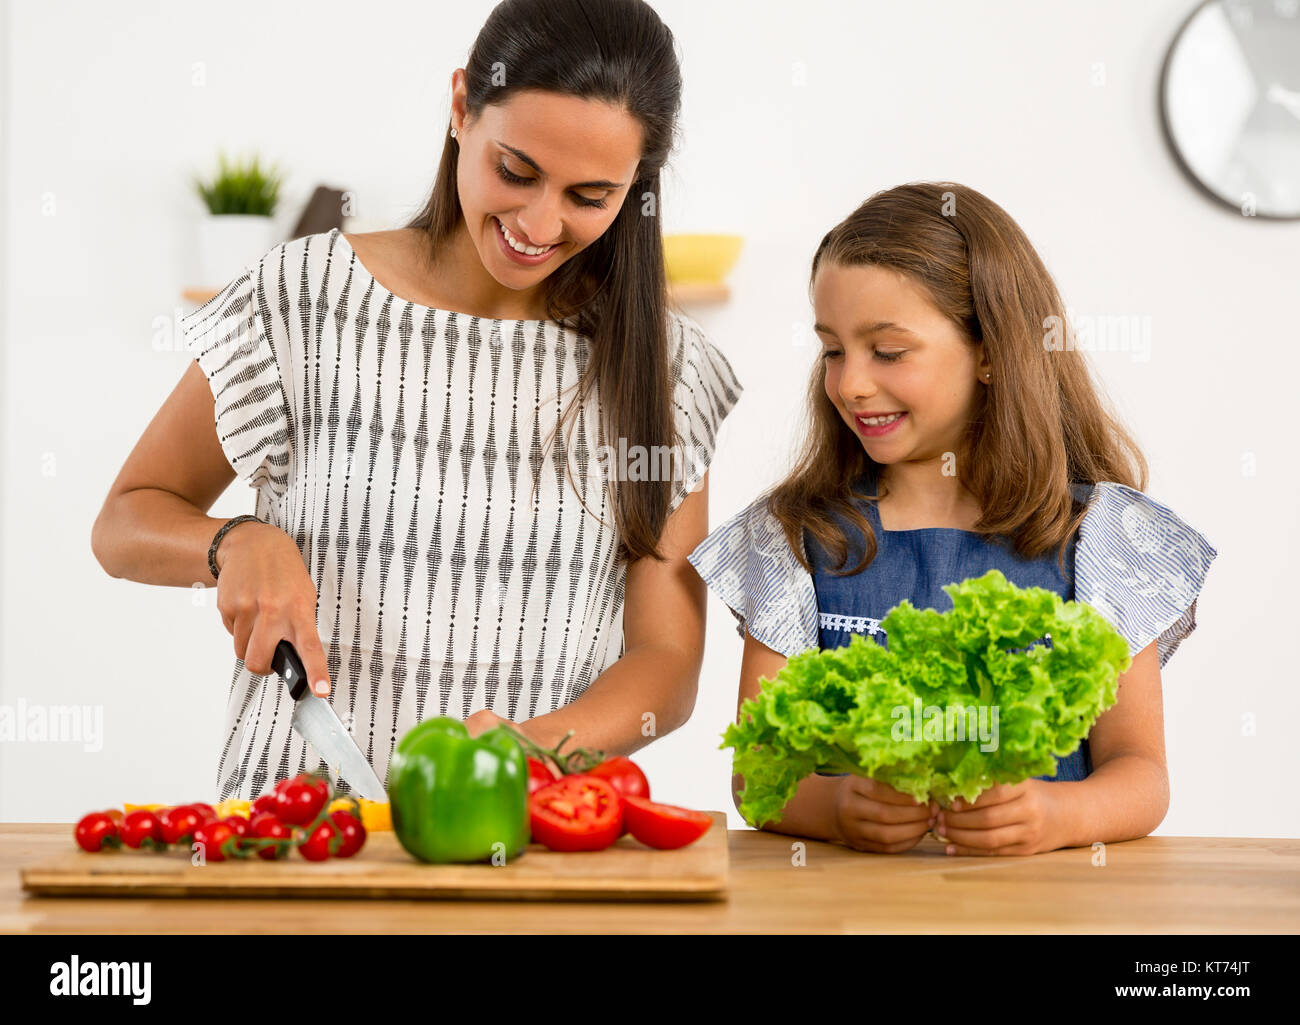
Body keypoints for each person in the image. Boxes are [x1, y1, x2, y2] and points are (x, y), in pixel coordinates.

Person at [91, 0, 741, 801]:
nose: (539, 223)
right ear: (462, 106)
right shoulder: (304, 295)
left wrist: (522, 748)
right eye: (517, 170)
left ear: (635, 187)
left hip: (520, 843)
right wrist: (235, 540)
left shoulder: (666, 371)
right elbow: (123, 522)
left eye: (590, 196)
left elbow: (667, 663)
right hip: (294, 845)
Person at [688, 182, 1214, 856]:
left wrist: (1057, 813)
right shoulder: (797, 537)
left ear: (992, 351)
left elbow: (1141, 776)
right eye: (833, 350)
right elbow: (759, 776)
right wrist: (838, 806)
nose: (849, 383)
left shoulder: (1099, 538)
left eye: (887, 351)